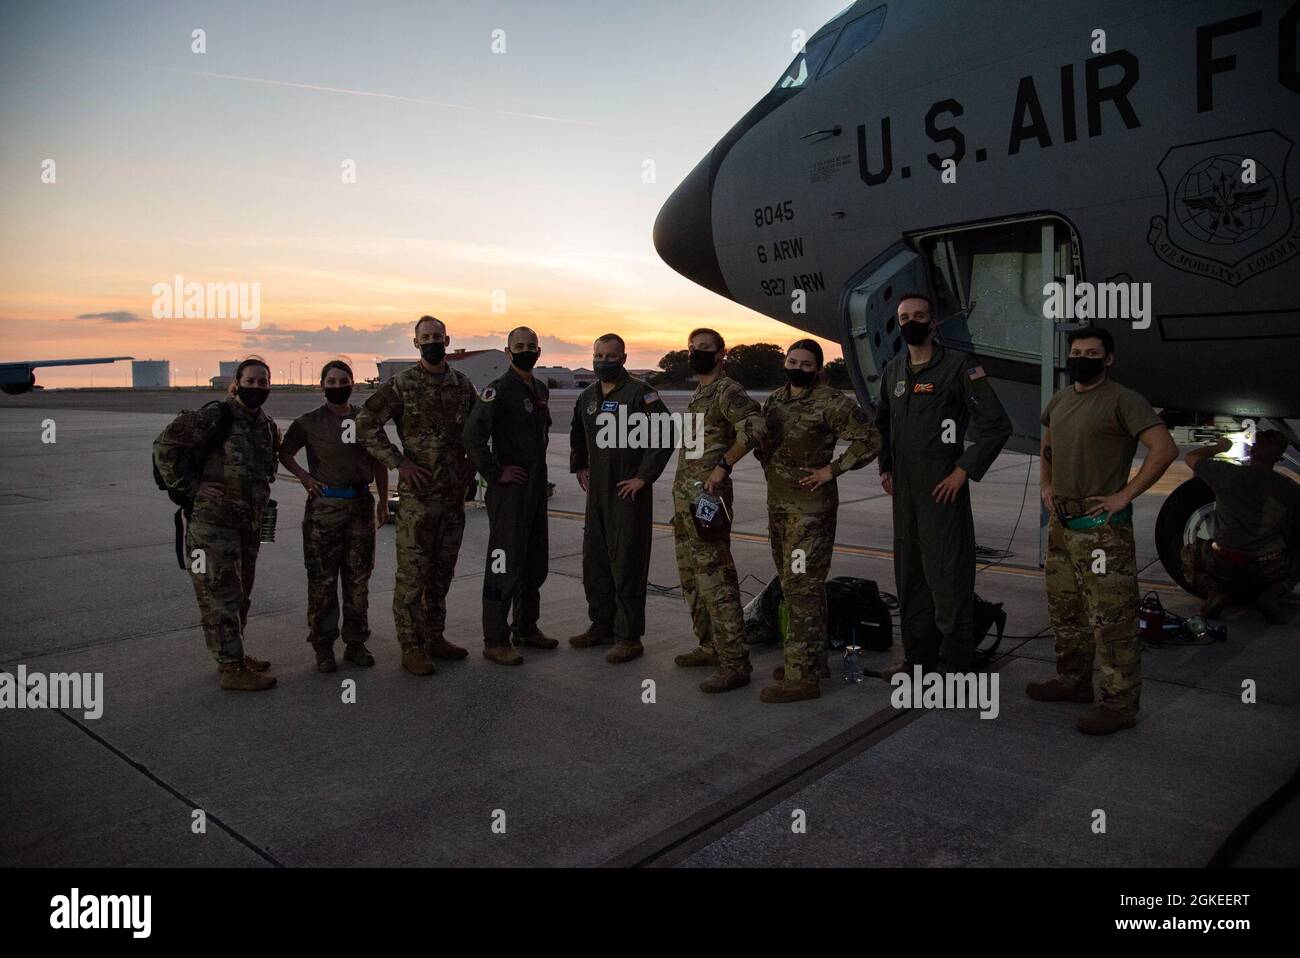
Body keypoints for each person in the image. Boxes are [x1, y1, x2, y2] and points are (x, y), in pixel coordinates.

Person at [1027, 325, 1178, 735]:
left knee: (1111, 618)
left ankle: (1119, 703)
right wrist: (1046, 483)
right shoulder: (1060, 399)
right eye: (1077, 351)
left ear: (1108, 360)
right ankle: (1073, 680)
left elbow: (1164, 449)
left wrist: (1125, 495)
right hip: (1062, 522)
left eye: (1092, 354)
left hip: (1101, 529)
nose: (1082, 359)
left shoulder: (1124, 401)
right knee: (1066, 609)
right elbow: (1048, 445)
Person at [875, 293, 1013, 677]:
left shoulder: (958, 367)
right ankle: (916, 660)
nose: (911, 322)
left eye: (919, 315)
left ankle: (954, 667)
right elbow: (882, 424)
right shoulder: (894, 371)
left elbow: (996, 426)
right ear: (898, 323)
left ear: (933, 321)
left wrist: (961, 471)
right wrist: (886, 468)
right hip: (904, 492)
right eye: (904, 317)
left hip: (942, 490)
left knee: (948, 578)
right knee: (911, 577)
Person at [757, 340, 880, 703]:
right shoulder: (777, 398)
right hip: (778, 506)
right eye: (792, 361)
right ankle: (811, 660)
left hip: (810, 512)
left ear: (818, 369)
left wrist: (833, 469)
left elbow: (870, 438)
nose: (797, 368)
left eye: (806, 364)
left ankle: (802, 678)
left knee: (802, 589)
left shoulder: (831, 402)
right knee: (794, 586)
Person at [355, 315, 477, 676]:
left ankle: (434, 636)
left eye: (438, 336)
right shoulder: (402, 385)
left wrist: (473, 460)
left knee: (442, 574)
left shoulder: (461, 384)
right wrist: (398, 462)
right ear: (415, 343)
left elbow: (476, 426)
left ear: (448, 340)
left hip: (453, 498)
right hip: (417, 500)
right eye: (426, 337)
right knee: (413, 577)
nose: (433, 342)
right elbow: (365, 423)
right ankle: (411, 646)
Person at [153, 357, 280, 691]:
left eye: (262, 382)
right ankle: (230, 667)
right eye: (250, 381)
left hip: (247, 525)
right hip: (213, 526)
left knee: (240, 593)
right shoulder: (215, 417)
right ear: (237, 384)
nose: (257, 388)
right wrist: (191, 487)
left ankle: (234, 653)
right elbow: (165, 445)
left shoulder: (265, 425)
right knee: (219, 594)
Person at [670, 328, 766, 693]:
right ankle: (710, 646)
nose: (696, 354)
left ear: (721, 354)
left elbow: (755, 427)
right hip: (686, 502)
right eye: (692, 348)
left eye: (705, 349)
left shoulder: (727, 391)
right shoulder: (701, 393)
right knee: (693, 581)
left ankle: (735, 662)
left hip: (709, 501)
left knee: (716, 581)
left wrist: (724, 465)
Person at [569, 333, 674, 664]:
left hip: (628, 492)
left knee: (626, 562)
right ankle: (601, 624)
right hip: (597, 492)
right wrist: (580, 465)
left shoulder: (641, 394)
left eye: (610, 356)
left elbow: (665, 434)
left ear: (623, 358)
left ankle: (629, 636)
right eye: (598, 355)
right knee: (595, 561)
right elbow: (576, 433)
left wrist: (643, 477)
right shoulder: (587, 396)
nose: (603, 361)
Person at [279, 360, 388, 673]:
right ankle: (323, 646)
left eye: (344, 381)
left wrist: (381, 500)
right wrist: (304, 477)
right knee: (323, 581)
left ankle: (355, 642)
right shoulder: (309, 422)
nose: (338, 386)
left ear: (353, 384)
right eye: (332, 381)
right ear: (322, 384)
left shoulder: (364, 419)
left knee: (358, 580)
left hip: (360, 506)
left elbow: (379, 460)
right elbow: (285, 452)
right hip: (324, 510)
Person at [463, 327, 557, 666]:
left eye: (532, 346)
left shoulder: (539, 389)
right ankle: (495, 639)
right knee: (503, 563)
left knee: (534, 562)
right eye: (520, 346)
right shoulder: (497, 390)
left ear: (539, 351)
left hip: (535, 489)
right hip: (509, 493)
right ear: (507, 351)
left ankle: (526, 627)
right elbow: (472, 436)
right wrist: (494, 471)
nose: (526, 350)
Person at [1181, 429, 1299, 623]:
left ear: (1252, 450)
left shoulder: (1226, 473)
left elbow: (1191, 457)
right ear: (1279, 458)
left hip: (1223, 562)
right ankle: (1273, 595)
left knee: (1189, 552)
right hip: (1268, 566)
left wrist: (1221, 447)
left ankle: (1215, 592)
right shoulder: (1288, 488)